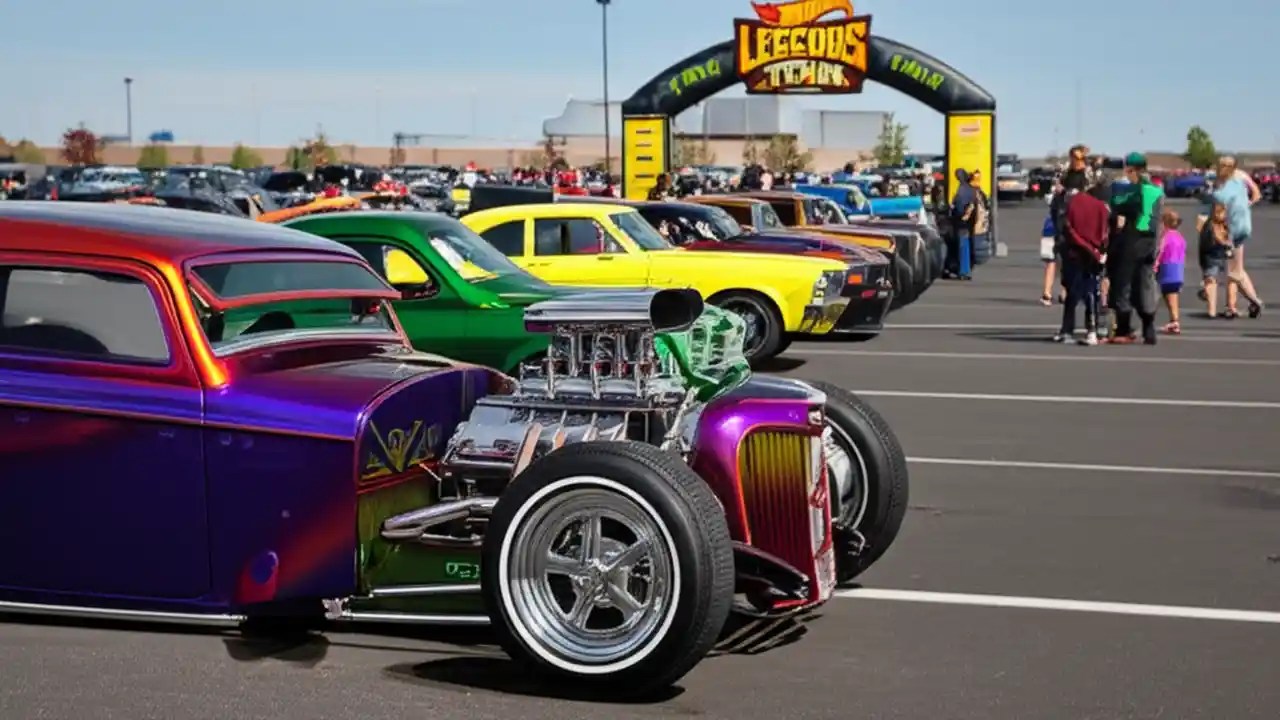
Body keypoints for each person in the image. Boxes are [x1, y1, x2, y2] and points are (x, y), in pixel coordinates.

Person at [1106, 152, 1165, 344]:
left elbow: (1116, 203)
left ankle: (1124, 328)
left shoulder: (1134, 191)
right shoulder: (1156, 190)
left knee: (1123, 283)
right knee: (1145, 283)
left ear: (1131, 169)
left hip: (1134, 239)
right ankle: (1149, 328)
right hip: (1151, 241)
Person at [1054, 174, 1109, 345]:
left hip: (1074, 253)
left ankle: (1067, 330)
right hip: (1094, 253)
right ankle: (1091, 330)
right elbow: (1106, 231)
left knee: (1072, 291)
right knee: (1091, 291)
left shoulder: (1070, 204)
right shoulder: (1100, 206)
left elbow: (1066, 227)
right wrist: (1100, 249)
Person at [1207, 156, 1264, 318]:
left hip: (1231, 229)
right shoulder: (1241, 176)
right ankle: (1232, 305)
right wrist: (1246, 206)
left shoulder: (1221, 182)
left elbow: (1217, 208)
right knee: (1235, 268)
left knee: (1234, 271)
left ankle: (1255, 301)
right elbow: (1256, 194)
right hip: (1242, 225)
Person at [1153, 209, 1187, 334]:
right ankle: (1174, 320)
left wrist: (1156, 263)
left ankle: (1174, 320)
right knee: (1173, 294)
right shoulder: (1180, 237)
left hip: (1168, 267)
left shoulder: (1166, 236)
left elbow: (1160, 251)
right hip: (1178, 267)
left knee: (1168, 294)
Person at [949, 169, 976, 280]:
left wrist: (962, 214)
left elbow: (961, 204)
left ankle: (963, 271)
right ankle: (965, 270)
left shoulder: (962, 189)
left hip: (961, 220)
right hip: (966, 221)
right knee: (965, 245)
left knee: (962, 246)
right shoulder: (970, 189)